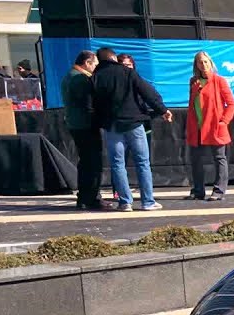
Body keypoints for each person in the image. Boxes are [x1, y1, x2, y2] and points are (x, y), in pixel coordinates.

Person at [92, 46, 173, 211]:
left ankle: (125, 202)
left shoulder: (96, 77)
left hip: (111, 125)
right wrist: (162, 110)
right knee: (142, 162)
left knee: (117, 164)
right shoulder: (128, 73)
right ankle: (148, 201)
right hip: (133, 123)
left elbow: (92, 104)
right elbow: (147, 92)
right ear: (114, 58)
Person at [185, 51, 234, 201]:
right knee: (196, 160)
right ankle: (198, 190)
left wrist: (223, 121)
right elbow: (193, 105)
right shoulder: (193, 81)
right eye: (200, 62)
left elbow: (232, 104)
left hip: (215, 126)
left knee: (219, 158)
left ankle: (219, 191)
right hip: (197, 127)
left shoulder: (219, 81)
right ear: (196, 65)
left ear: (211, 63)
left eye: (206, 61)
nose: (204, 65)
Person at [61, 50, 105, 210]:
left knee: (86, 161)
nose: (96, 68)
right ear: (87, 63)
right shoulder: (80, 79)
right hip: (85, 125)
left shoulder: (69, 75)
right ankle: (90, 198)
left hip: (76, 124)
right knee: (92, 163)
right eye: (95, 65)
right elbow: (89, 103)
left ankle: (86, 197)